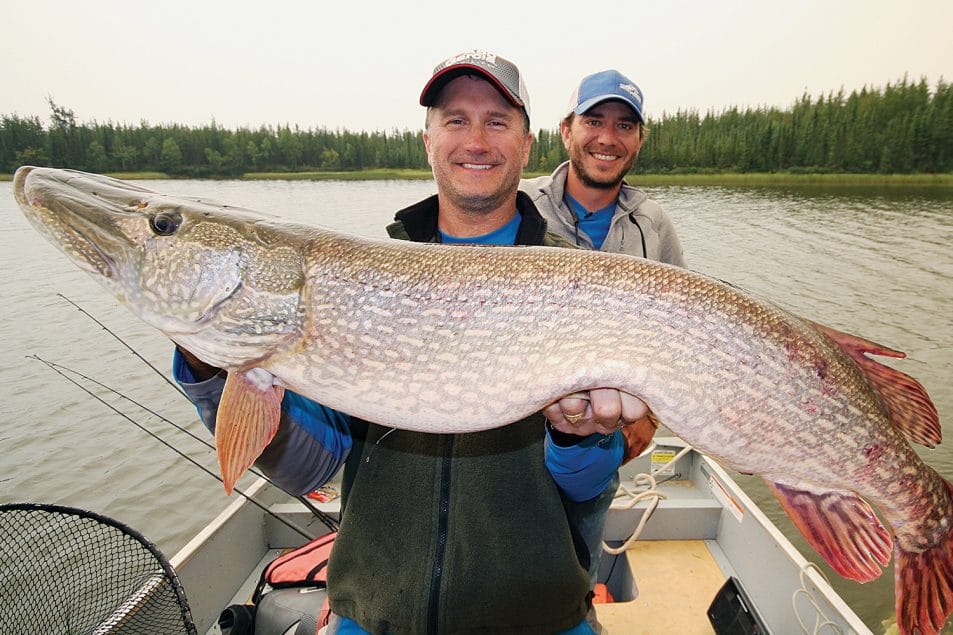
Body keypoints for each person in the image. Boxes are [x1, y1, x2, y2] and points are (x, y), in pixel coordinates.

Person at [174, 51, 649, 635]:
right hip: (373, 618)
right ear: (427, 141)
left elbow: (586, 489)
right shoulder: (360, 282)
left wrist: (579, 438)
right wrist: (212, 362)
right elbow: (311, 466)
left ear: (527, 146)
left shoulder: (581, 278)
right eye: (455, 120)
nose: (475, 140)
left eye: (497, 121)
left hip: (540, 620)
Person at [522, 69, 686, 603]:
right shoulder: (520, 207)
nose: (607, 138)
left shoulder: (653, 225)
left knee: (576, 571)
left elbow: (681, 335)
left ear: (639, 140)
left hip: (597, 442)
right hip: (513, 435)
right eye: (594, 120)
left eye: (625, 125)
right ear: (566, 130)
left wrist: (649, 422)